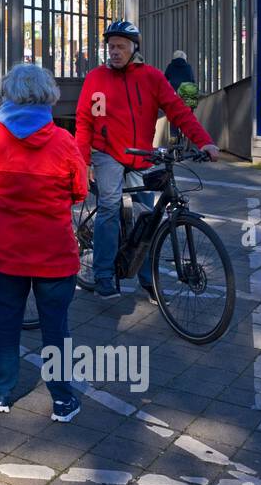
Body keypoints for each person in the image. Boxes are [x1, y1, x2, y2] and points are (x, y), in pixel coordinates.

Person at [0, 65, 87, 422]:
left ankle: (2, 389)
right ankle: (63, 398)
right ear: (47, 95)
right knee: (57, 326)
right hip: (54, 252)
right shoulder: (64, 141)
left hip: (7, 251)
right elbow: (79, 191)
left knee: (7, 321)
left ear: (9, 93)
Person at [77, 21, 220, 300]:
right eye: (111, 46)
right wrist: (84, 161)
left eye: (121, 46)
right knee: (109, 206)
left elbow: (179, 111)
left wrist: (204, 141)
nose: (114, 52)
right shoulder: (97, 78)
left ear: (134, 48)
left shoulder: (152, 77)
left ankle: (147, 279)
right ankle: (104, 274)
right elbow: (84, 121)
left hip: (141, 153)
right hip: (106, 153)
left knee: (148, 217)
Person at [156, 50, 198, 146]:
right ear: (184, 58)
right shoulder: (188, 67)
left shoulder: (171, 66)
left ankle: (173, 135)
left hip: (175, 94)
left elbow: (164, 79)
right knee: (188, 114)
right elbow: (192, 80)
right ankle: (188, 134)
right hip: (187, 94)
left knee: (174, 114)